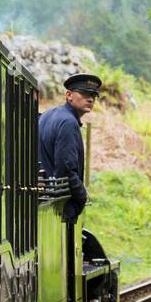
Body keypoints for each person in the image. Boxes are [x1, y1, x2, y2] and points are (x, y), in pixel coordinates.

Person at [37, 73, 101, 223]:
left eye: (93, 95)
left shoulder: (48, 115)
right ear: (69, 95)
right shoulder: (68, 123)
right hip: (59, 207)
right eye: (84, 93)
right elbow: (66, 169)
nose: (90, 99)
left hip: (43, 200)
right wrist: (81, 196)